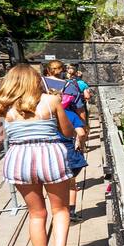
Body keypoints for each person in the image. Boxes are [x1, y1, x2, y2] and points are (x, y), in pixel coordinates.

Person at [0, 64, 77, 246]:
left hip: (19, 158)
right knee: (60, 209)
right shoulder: (51, 101)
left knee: (36, 214)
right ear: (36, 81)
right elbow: (67, 131)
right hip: (50, 155)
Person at [43, 60, 88, 221]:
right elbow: (81, 132)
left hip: (48, 153)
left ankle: (59, 211)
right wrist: (80, 143)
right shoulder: (70, 112)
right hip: (67, 150)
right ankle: (70, 212)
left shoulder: (43, 114)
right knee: (71, 184)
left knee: (55, 186)